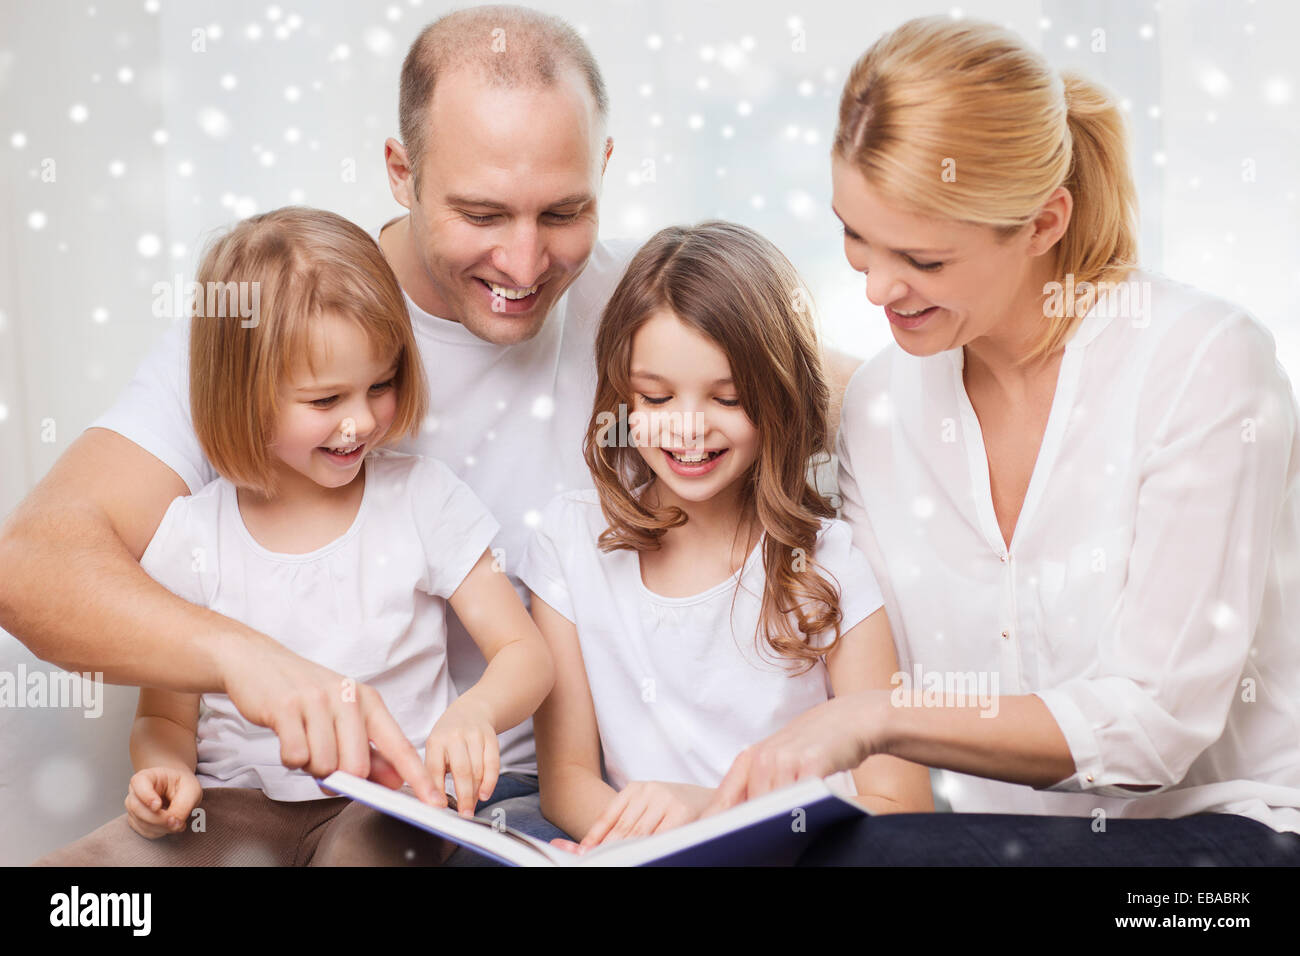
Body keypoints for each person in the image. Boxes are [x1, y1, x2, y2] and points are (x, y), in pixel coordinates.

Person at [1, 5, 864, 858]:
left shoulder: (647, 312)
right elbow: (34, 570)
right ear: (399, 170)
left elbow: (834, 387)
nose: (525, 267)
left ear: (604, 168)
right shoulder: (276, 326)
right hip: (254, 799)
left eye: (563, 213)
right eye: (482, 216)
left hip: (502, 805)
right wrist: (242, 659)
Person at [706, 15, 1300, 865]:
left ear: (1044, 222)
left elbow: (1149, 731)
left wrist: (874, 714)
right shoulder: (881, 407)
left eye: (924, 259)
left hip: (1227, 851)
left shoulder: (1203, 365)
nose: (877, 286)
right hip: (1001, 845)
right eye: (854, 236)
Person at [34, 207, 554, 866]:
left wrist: (476, 711)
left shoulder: (424, 499)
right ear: (245, 395)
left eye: (381, 385)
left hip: (390, 804)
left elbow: (524, 653)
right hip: (230, 807)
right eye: (325, 400)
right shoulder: (194, 532)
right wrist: (162, 773)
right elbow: (166, 717)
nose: (360, 420)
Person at [520, 221, 933, 851]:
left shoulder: (829, 564)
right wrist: (626, 846)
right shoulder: (570, 543)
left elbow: (900, 804)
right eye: (656, 398)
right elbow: (568, 780)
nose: (688, 429)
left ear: (777, 398)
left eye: (728, 398)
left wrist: (711, 816)